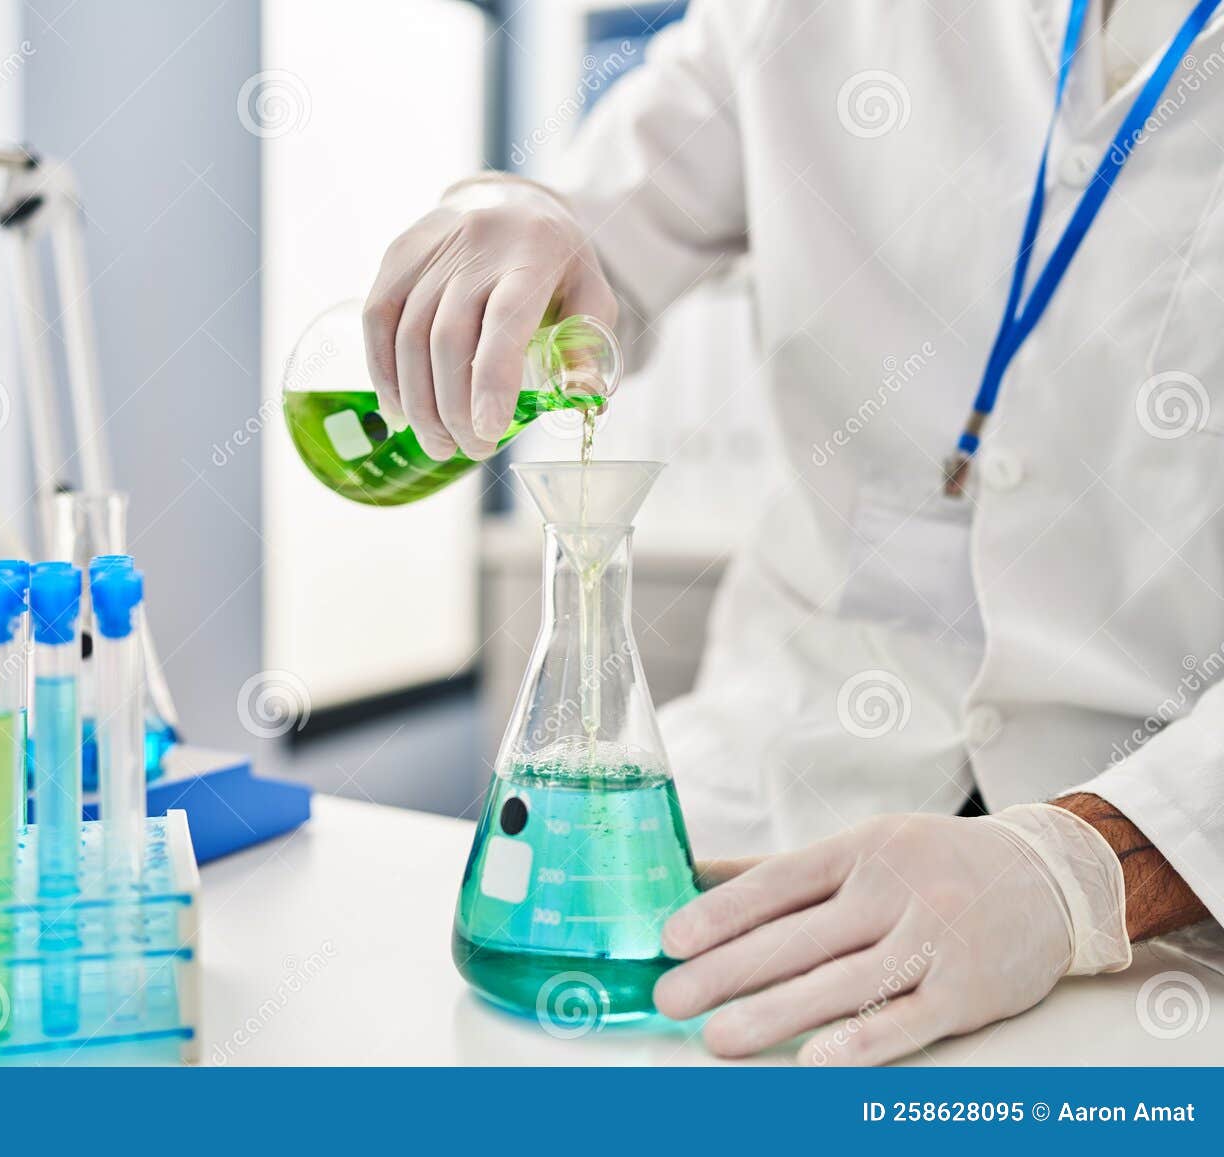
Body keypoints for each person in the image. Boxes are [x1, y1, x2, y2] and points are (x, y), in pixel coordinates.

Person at [364, 0, 1222, 1064]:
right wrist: (515, 216)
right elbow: (598, 237)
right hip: (764, 817)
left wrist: (1082, 867)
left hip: (1171, 915)